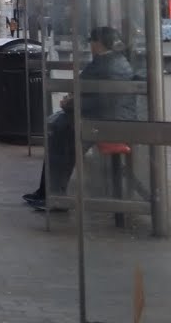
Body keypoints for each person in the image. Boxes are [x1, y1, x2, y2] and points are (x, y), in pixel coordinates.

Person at [23, 26, 137, 211]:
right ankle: (47, 191)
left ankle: (55, 195)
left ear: (98, 43)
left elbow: (95, 96)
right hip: (108, 117)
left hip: (105, 122)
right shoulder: (112, 60)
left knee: (62, 141)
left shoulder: (104, 64)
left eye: (91, 41)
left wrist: (69, 104)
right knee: (58, 133)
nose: (90, 45)